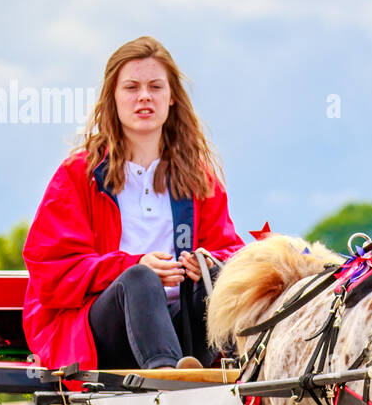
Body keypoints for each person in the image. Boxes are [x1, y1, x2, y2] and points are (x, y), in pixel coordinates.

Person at [22, 37, 244, 374]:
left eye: (156, 86)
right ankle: (167, 381)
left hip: (186, 331)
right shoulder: (79, 176)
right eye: (131, 87)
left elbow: (230, 249)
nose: (144, 96)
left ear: (172, 100)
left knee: (223, 277)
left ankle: (234, 374)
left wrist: (208, 262)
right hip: (106, 333)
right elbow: (51, 272)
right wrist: (131, 265)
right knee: (139, 279)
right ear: (113, 98)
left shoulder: (197, 177)